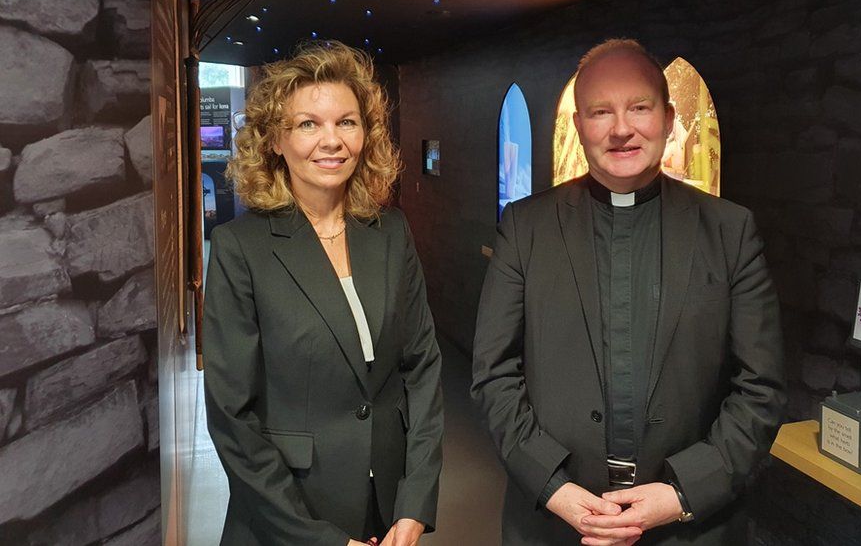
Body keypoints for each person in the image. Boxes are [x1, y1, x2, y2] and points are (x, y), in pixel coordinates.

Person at [471, 39, 786, 545]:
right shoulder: (525, 228)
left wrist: (683, 493)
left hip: (692, 528)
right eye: (601, 112)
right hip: (552, 524)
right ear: (578, 125)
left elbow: (761, 387)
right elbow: (494, 375)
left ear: (668, 116)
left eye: (638, 108)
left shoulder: (729, 232)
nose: (621, 129)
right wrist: (553, 486)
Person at [204, 41, 443, 546]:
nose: (331, 140)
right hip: (286, 519)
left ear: (366, 134)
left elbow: (421, 369)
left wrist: (415, 502)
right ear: (274, 139)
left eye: (347, 122)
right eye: (308, 124)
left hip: (387, 512)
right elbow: (232, 416)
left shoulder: (391, 232)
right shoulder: (240, 247)